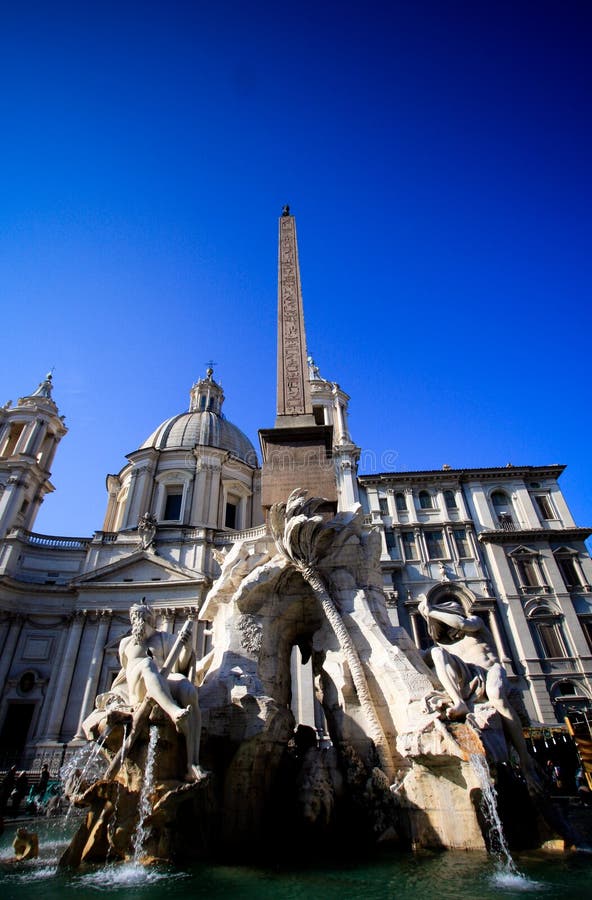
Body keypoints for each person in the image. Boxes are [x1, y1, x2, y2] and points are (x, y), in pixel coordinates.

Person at [418, 595, 538, 784]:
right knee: (436, 652)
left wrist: (431, 611)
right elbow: (421, 656)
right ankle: (459, 703)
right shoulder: (444, 644)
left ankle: (525, 759)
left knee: (496, 696)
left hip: (491, 671)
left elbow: (461, 623)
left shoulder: (474, 623)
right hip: (471, 678)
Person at [116, 602, 205, 781]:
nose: (138, 622)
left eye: (142, 618)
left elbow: (181, 664)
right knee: (147, 664)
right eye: (135, 618)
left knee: (188, 691)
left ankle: (192, 764)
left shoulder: (165, 638)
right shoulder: (126, 643)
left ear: (151, 620)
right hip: (140, 687)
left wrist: (187, 647)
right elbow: (126, 673)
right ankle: (174, 711)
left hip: (164, 679)